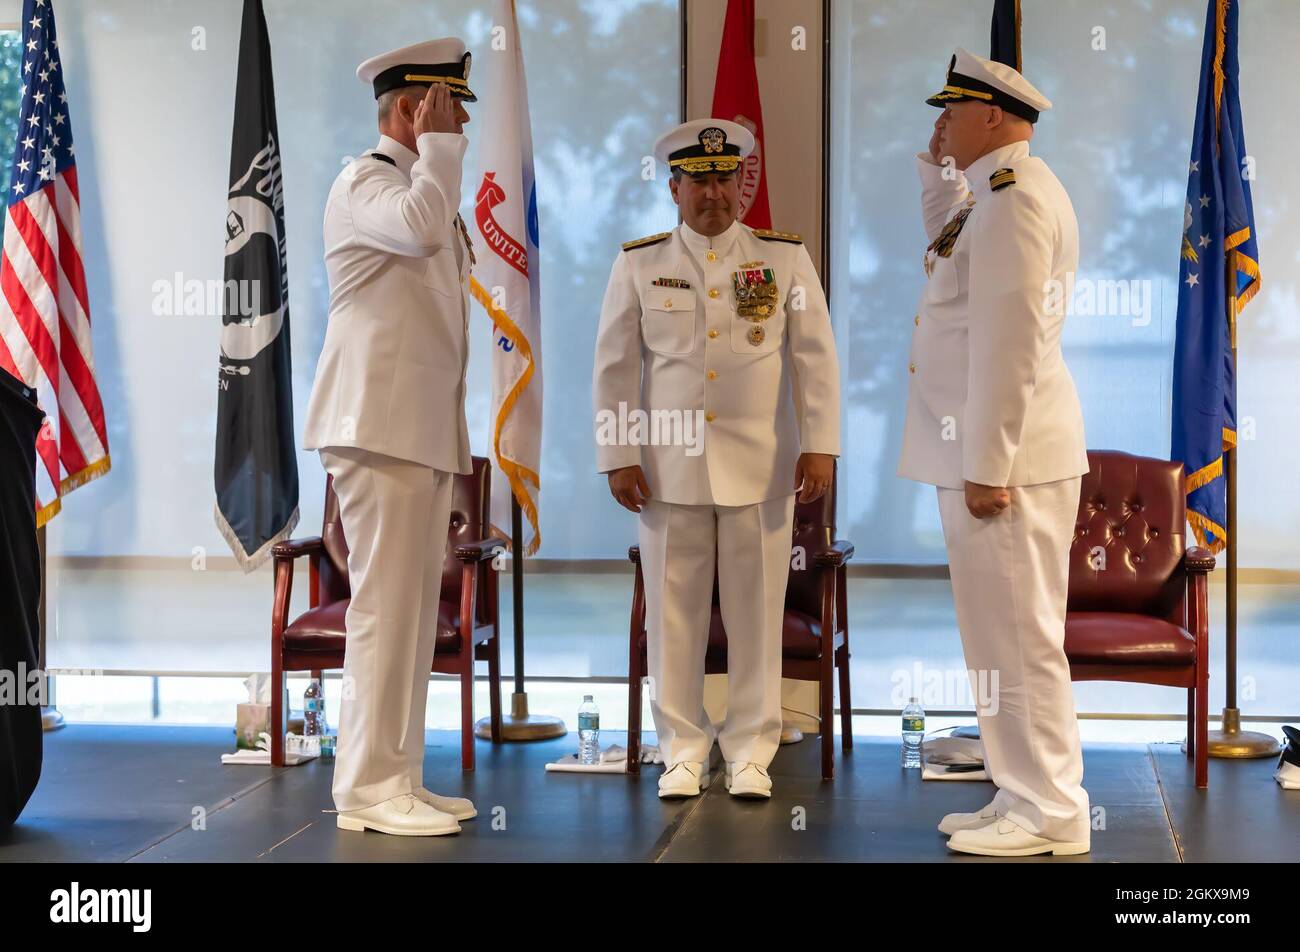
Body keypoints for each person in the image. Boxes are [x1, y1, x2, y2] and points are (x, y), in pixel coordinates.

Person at [592, 119, 841, 800]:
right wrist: (617, 454)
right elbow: (614, 367)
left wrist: (820, 443)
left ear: (740, 184)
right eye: (698, 180)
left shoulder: (783, 258)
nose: (713, 192)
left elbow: (815, 357)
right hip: (667, 470)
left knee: (757, 611)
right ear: (673, 187)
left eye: (724, 178)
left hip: (760, 466)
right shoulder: (639, 263)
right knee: (672, 618)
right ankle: (680, 747)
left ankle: (751, 749)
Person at [898, 47, 1091, 856]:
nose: (940, 123)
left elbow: (1012, 345)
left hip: (1002, 464)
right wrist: (936, 168)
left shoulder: (1014, 202)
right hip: (987, 456)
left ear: (993, 116)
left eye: (951, 112)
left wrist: (986, 464)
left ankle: (1053, 809)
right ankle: (1019, 787)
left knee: (1020, 639)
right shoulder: (993, 197)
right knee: (996, 641)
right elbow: (949, 246)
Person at [302, 37, 480, 836]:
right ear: (413, 110)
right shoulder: (364, 182)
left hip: (417, 431)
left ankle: (398, 776)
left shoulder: (424, 189)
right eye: (451, 112)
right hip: (376, 428)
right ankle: (366, 790)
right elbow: (419, 232)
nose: (463, 128)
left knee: (408, 614)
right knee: (382, 609)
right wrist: (439, 151)